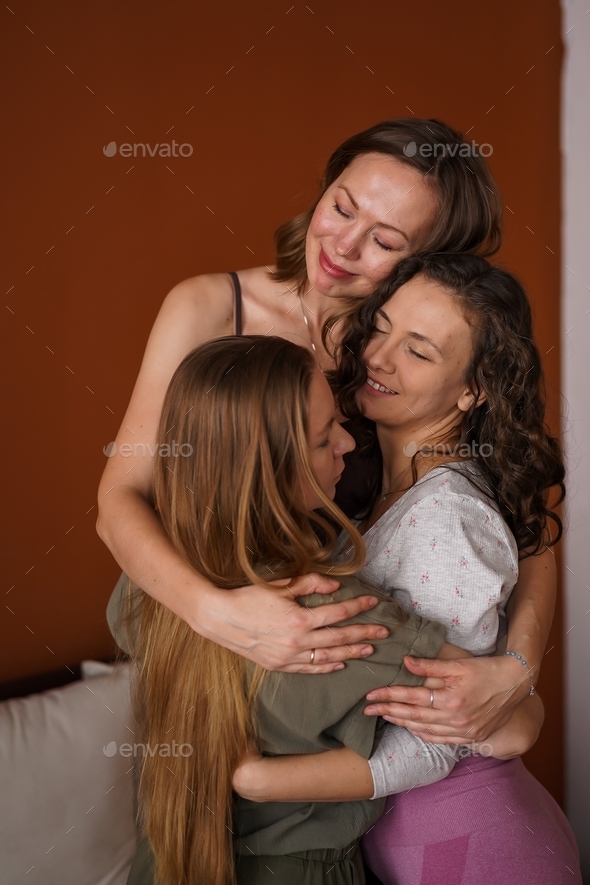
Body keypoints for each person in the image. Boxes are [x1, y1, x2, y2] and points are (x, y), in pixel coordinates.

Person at [98, 118, 554, 744]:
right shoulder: (209, 308)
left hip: (341, 679)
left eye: (385, 241)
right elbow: (117, 498)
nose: (343, 246)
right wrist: (219, 615)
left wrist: (515, 673)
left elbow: (517, 514)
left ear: (423, 263)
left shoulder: (404, 357)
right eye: (341, 207)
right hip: (209, 654)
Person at [111, 334, 543, 885]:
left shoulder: (142, 585)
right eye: (322, 440)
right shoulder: (338, 619)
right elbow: (507, 729)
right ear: (266, 473)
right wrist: (526, 689)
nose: (346, 441)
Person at [232, 254, 582, 884]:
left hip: (475, 846)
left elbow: (440, 739)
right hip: (420, 842)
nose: (378, 356)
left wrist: (256, 779)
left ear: (474, 389)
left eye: (418, 351)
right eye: (382, 327)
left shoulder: (448, 517)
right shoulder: (376, 487)